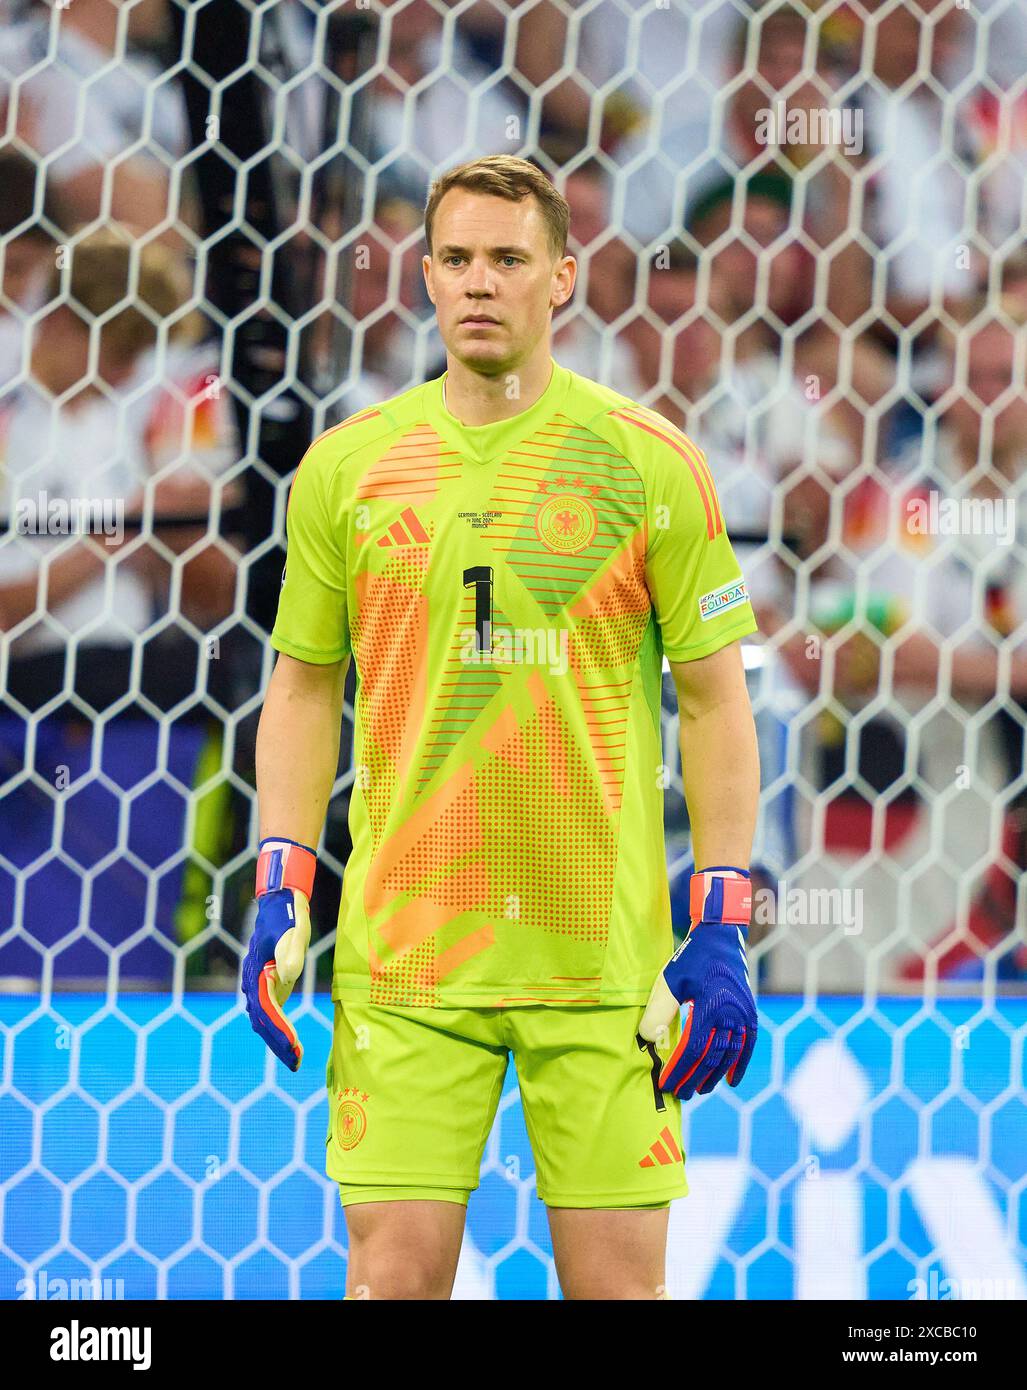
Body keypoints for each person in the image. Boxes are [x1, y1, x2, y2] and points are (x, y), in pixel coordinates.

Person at [243, 155, 761, 1300]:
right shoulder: (346, 470)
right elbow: (302, 683)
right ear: (425, 276)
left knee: (621, 1292)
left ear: (562, 278)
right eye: (458, 258)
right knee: (390, 1281)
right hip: (408, 959)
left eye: (509, 260)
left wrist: (720, 915)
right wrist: (282, 883)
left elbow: (718, 696)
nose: (480, 282)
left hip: (604, 964)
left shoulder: (649, 462)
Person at [0, 227, 240, 982]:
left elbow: (225, 594)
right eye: (119, 350)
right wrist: (120, 527)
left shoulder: (141, 422)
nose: (128, 371)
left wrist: (177, 523)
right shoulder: (13, 424)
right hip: (26, 717)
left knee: (126, 963)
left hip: (140, 719)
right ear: (63, 324)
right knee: (31, 956)